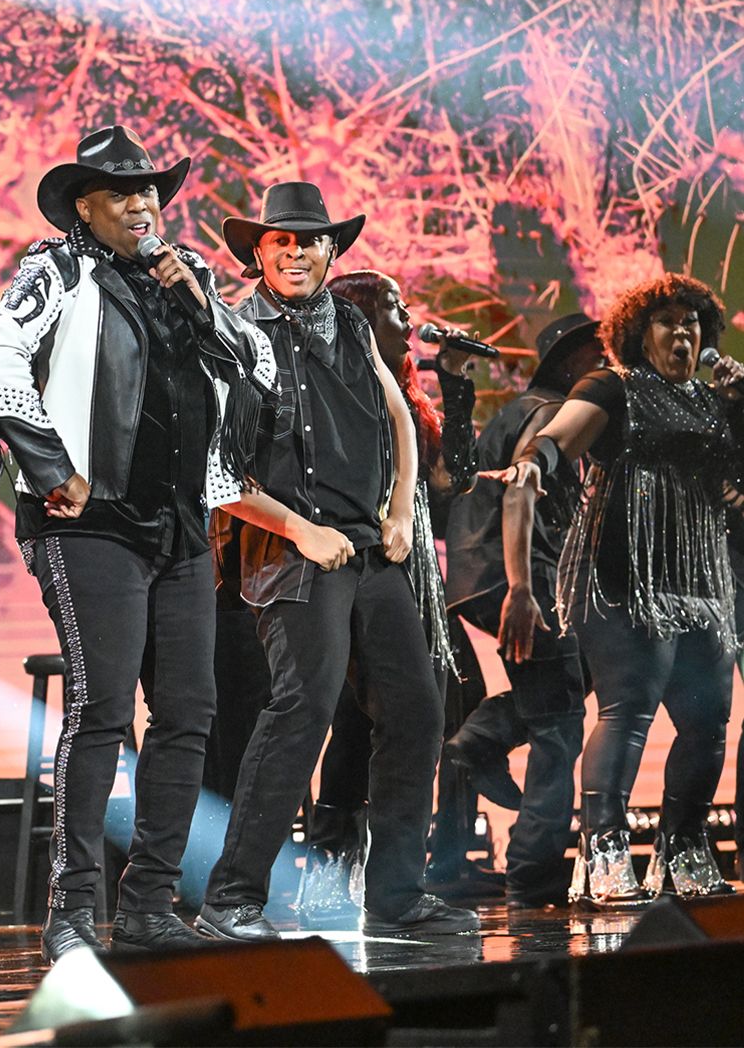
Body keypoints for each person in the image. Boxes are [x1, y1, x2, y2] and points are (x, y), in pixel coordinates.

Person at [0, 125, 277, 962]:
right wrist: (52, 466)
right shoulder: (54, 271)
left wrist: (200, 305)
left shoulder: (190, 276)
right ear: (84, 208)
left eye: (151, 191)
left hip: (177, 523)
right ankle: (72, 909)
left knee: (190, 712)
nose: (142, 204)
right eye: (122, 193)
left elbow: (261, 368)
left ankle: (149, 902)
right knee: (101, 710)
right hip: (88, 525)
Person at [194, 182, 479, 941]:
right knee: (303, 710)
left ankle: (394, 894)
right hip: (292, 553)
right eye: (280, 240)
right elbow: (216, 474)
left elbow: (400, 419)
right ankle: (233, 898)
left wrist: (398, 510)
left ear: (330, 251)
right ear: (258, 250)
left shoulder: (351, 325)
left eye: (309, 240)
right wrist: (300, 530)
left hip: (368, 550)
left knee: (417, 712)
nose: (295, 251)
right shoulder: (233, 333)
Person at [493, 274, 743, 906]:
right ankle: (603, 853)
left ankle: (681, 846)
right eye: (667, 322)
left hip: (701, 579)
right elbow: (551, 445)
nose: (682, 332)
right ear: (639, 334)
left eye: (692, 322)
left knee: (708, 721)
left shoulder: (714, 403)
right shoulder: (614, 388)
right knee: (627, 713)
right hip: (622, 577)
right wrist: (535, 468)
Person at [293, 270, 477, 928]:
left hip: (409, 570)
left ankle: (382, 886)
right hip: (349, 567)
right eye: (396, 306)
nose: (410, 316)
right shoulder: (333, 384)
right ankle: (343, 878)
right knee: (356, 725)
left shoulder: (406, 392)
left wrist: (454, 384)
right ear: (360, 315)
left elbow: (453, 479)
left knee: (395, 720)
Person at [444, 314, 604, 907]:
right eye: (596, 352)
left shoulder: (523, 408)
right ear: (566, 360)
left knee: (575, 681)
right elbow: (521, 491)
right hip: (523, 577)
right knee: (559, 727)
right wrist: (521, 587)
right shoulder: (550, 413)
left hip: (489, 573)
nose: (607, 362)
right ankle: (534, 878)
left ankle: (482, 737)